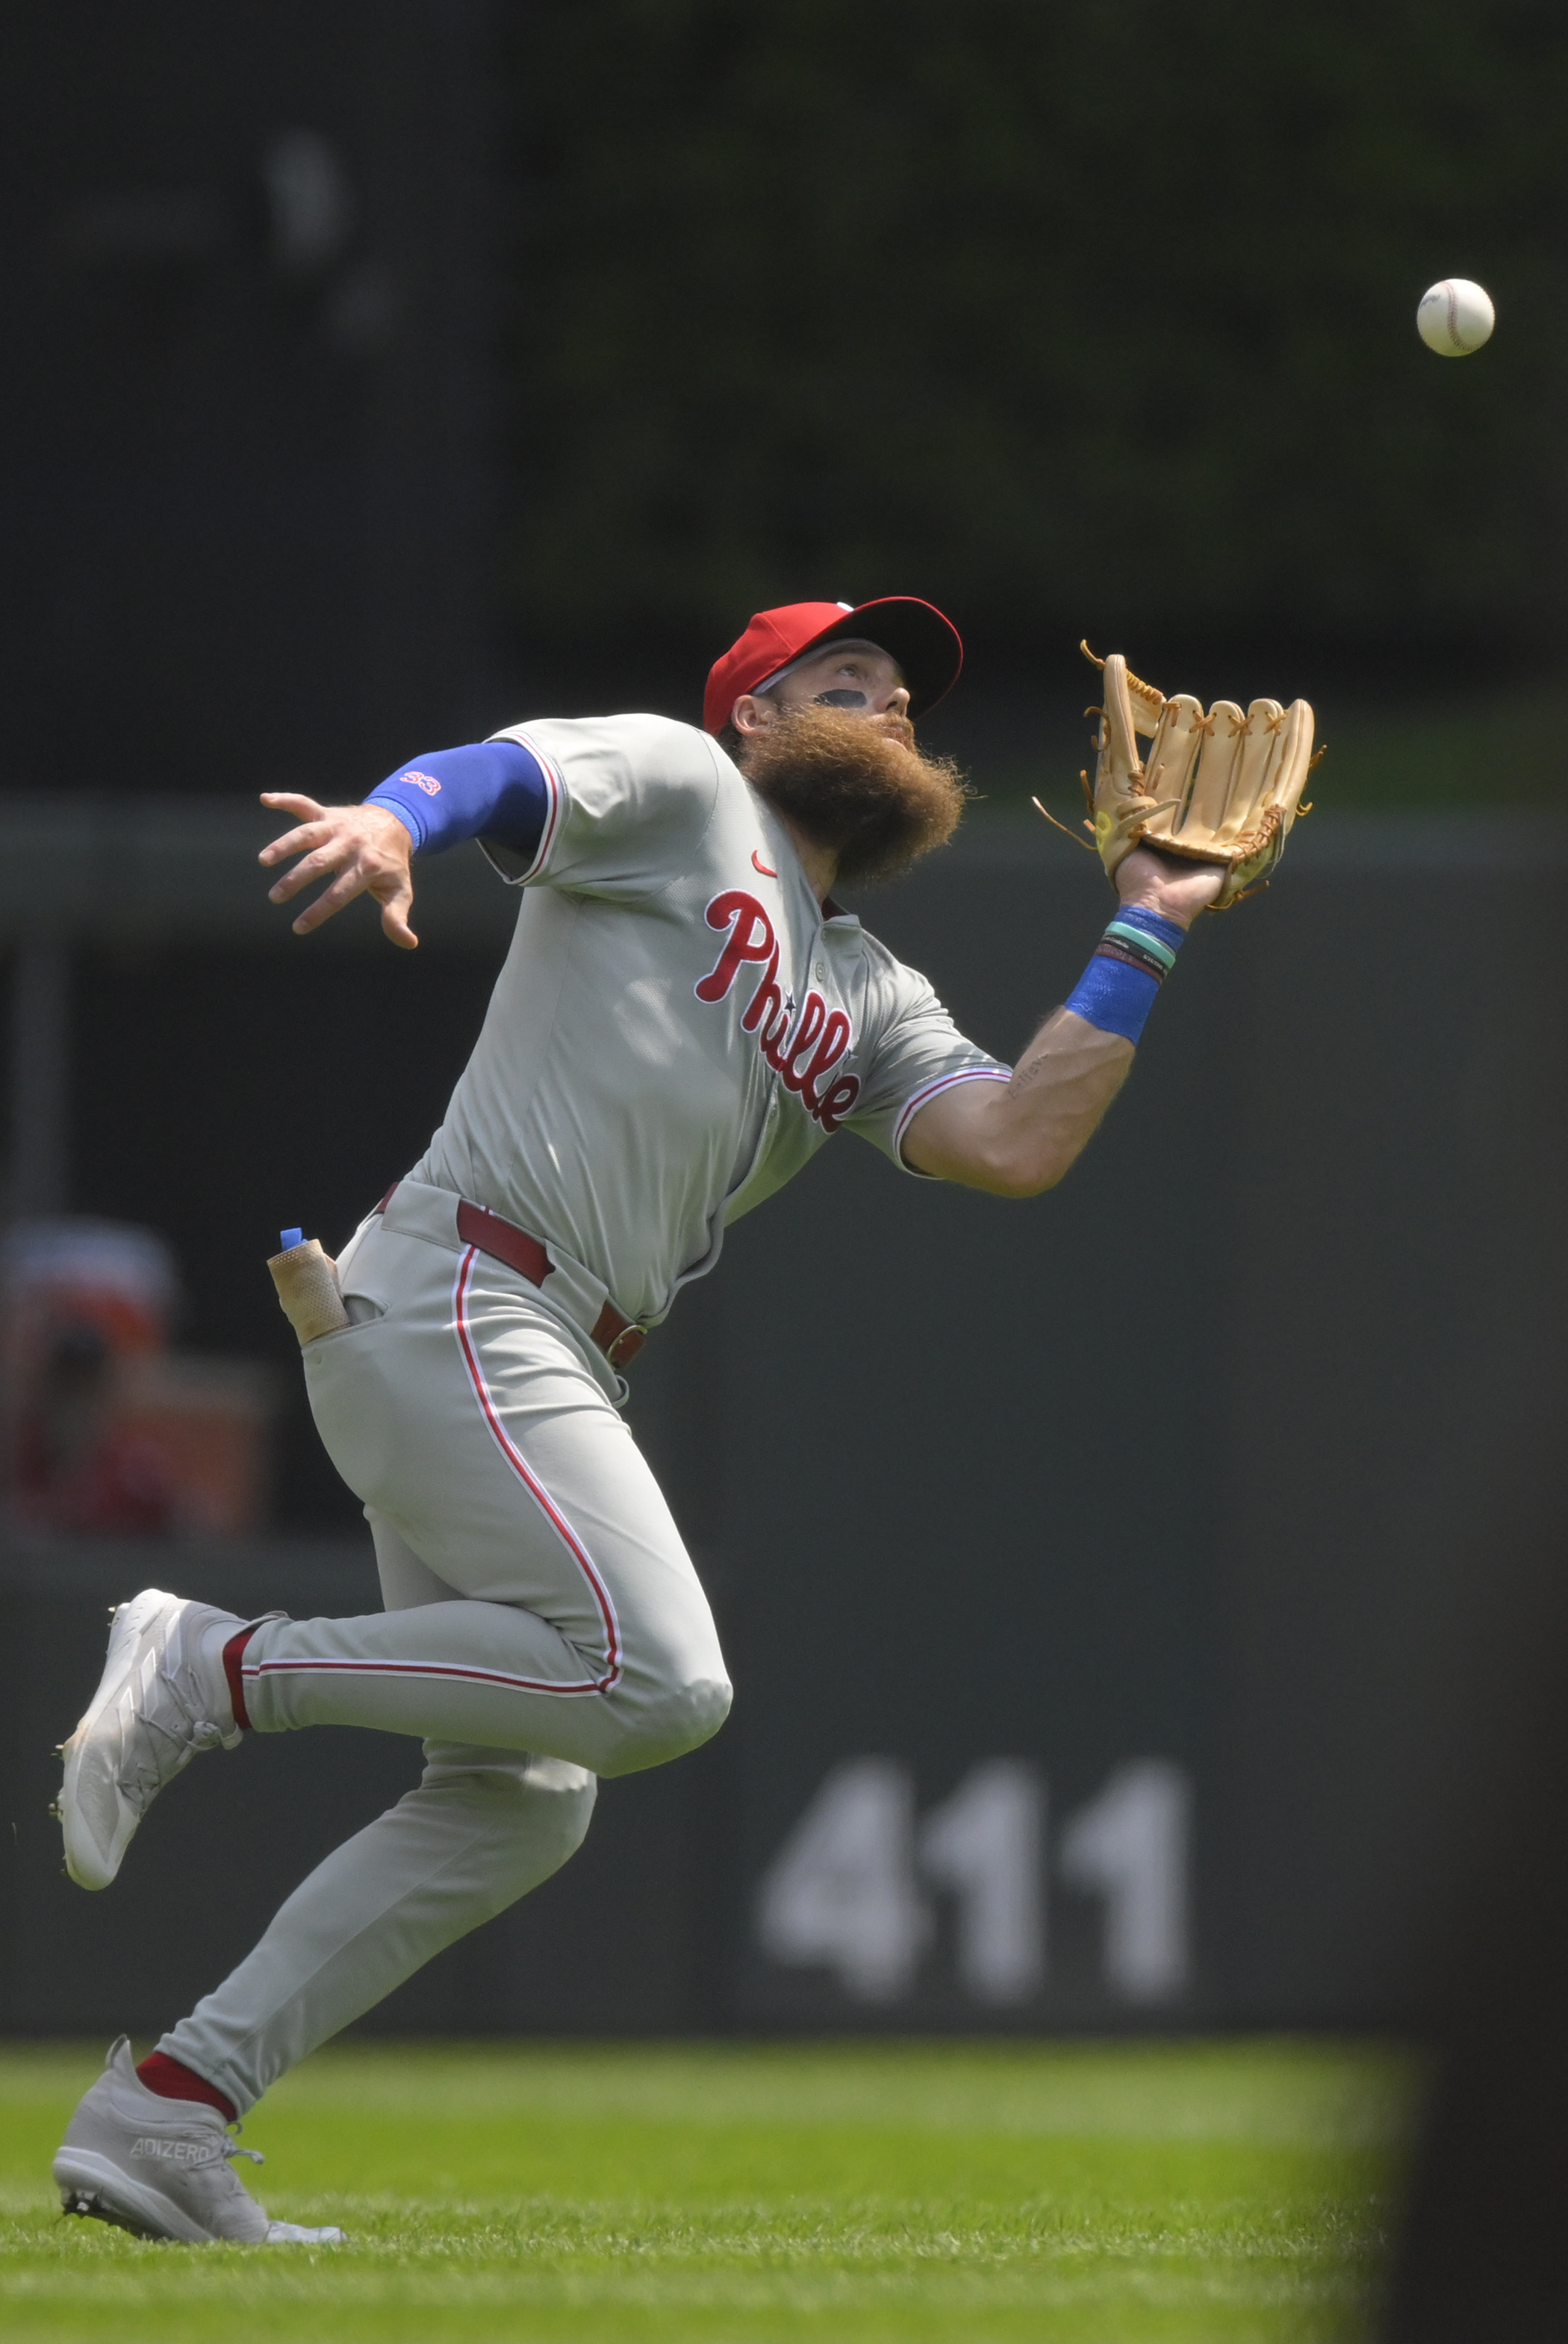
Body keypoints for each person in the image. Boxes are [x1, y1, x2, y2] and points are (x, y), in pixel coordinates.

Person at [51, 596, 1222, 2242]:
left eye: (901, 697)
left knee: (523, 1794)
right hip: (468, 1288)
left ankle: (173, 2111)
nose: (886, 709)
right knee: (659, 1681)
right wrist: (393, 824)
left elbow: (1020, 1140)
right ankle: (213, 1667)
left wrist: (1153, 922)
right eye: (846, 682)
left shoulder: (874, 994)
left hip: (536, 1352)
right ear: (755, 714)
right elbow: (495, 775)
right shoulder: (685, 787)